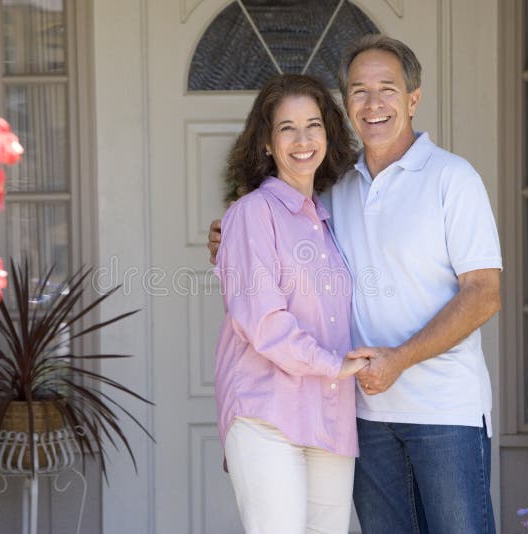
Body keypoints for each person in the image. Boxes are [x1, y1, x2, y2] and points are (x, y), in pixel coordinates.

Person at [209, 35, 502, 534]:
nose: (373, 103)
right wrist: (228, 235)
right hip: (362, 413)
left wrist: (401, 358)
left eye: (387, 88)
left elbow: (484, 293)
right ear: (346, 105)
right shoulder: (333, 190)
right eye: (359, 91)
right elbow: (270, 253)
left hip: (443, 409)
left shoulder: (454, 179)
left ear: (413, 97)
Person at [214, 73, 367, 534]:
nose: (303, 140)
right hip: (267, 414)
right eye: (286, 128)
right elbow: (263, 321)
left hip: (330, 417)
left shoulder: (328, 219)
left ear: (328, 134)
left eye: (313, 125)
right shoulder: (251, 214)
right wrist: (333, 364)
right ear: (265, 141)